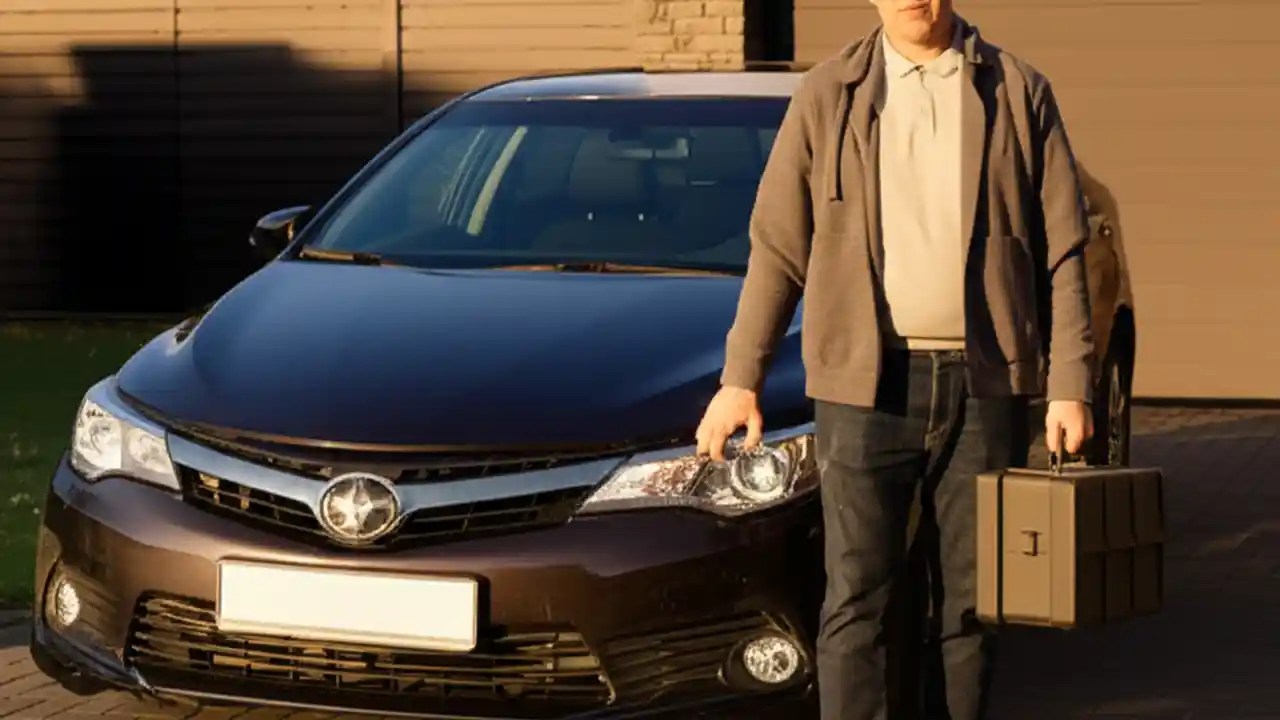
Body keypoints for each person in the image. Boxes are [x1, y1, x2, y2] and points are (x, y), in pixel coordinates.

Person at [694, 1, 1096, 719]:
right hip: (863, 391)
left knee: (974, 607)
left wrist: (1071, 384)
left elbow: (1064, 249)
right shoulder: (829, 93)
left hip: (986, 387)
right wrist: (740, 378)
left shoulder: (1017, 89)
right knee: (857, 601)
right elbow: (779, 246)